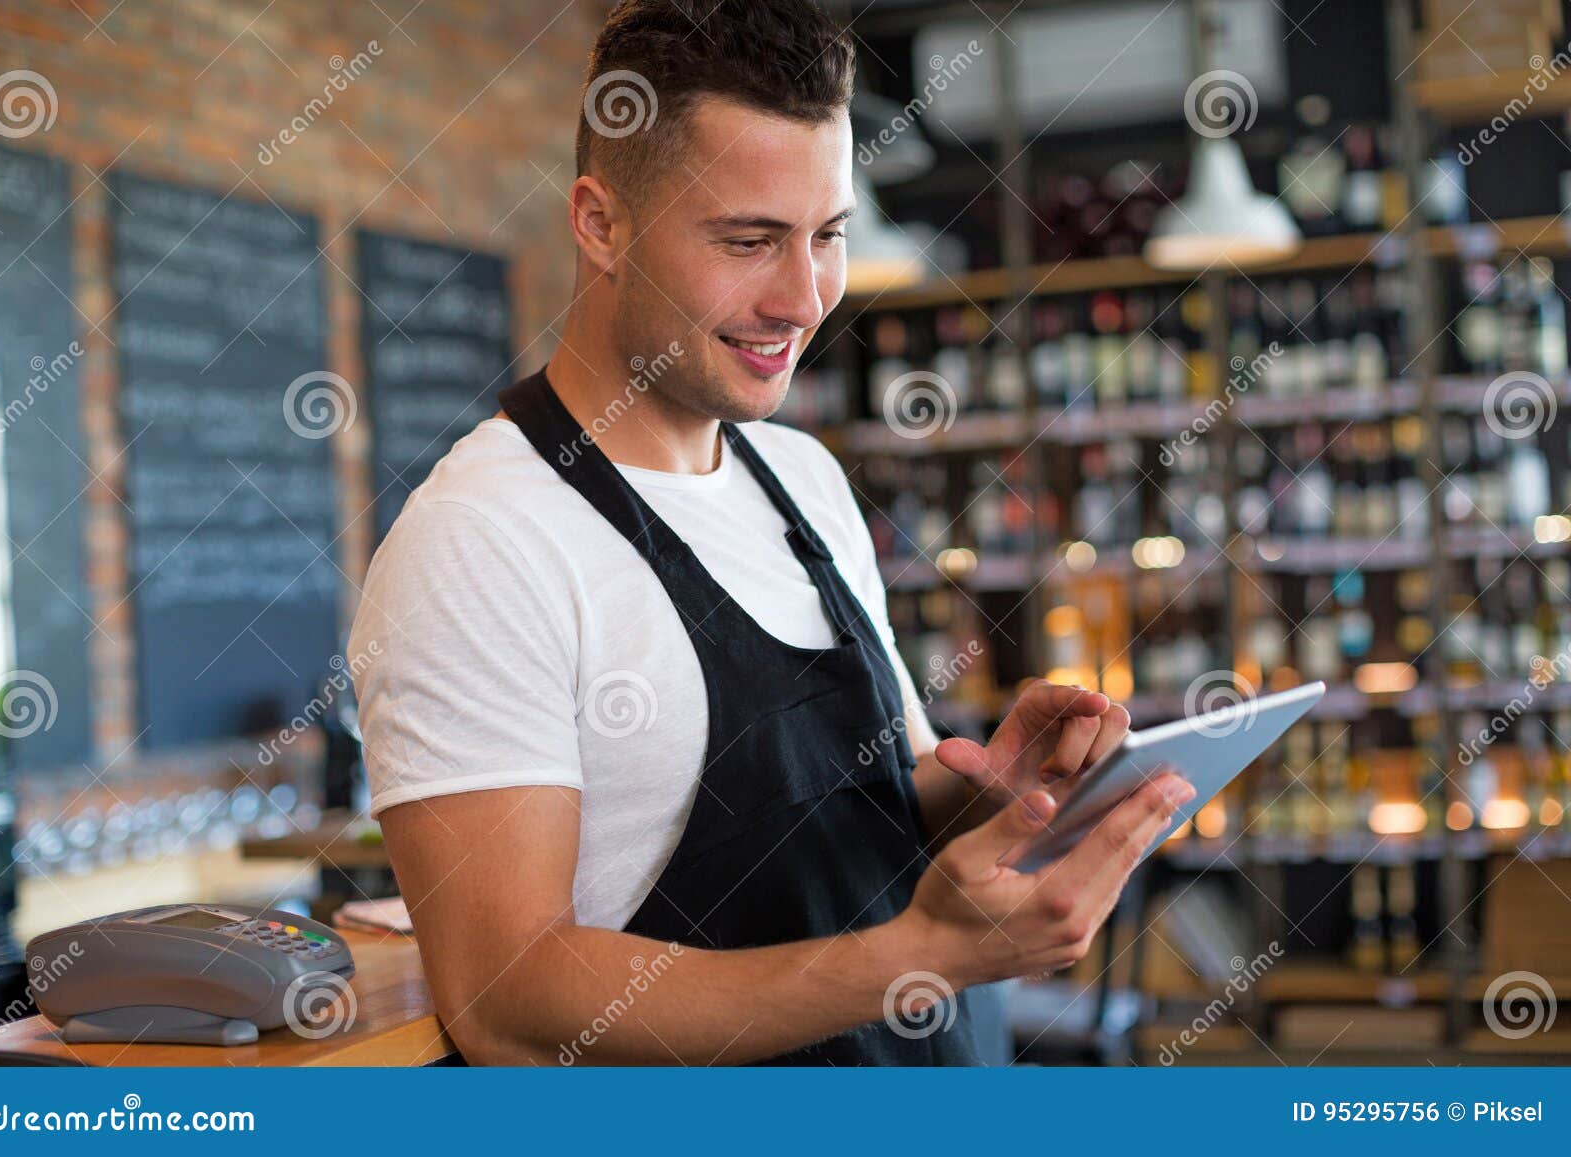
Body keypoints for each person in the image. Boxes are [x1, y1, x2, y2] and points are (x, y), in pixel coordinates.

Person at [347, 0, 1194, 1066]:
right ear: (599, 222)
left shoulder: (798, 473)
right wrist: (918, 953)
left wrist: (997, 790)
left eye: (827, 236)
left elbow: (881, 799)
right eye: (748, 241)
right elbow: (507, 1001)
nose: (802, 298)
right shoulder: (482, 541)